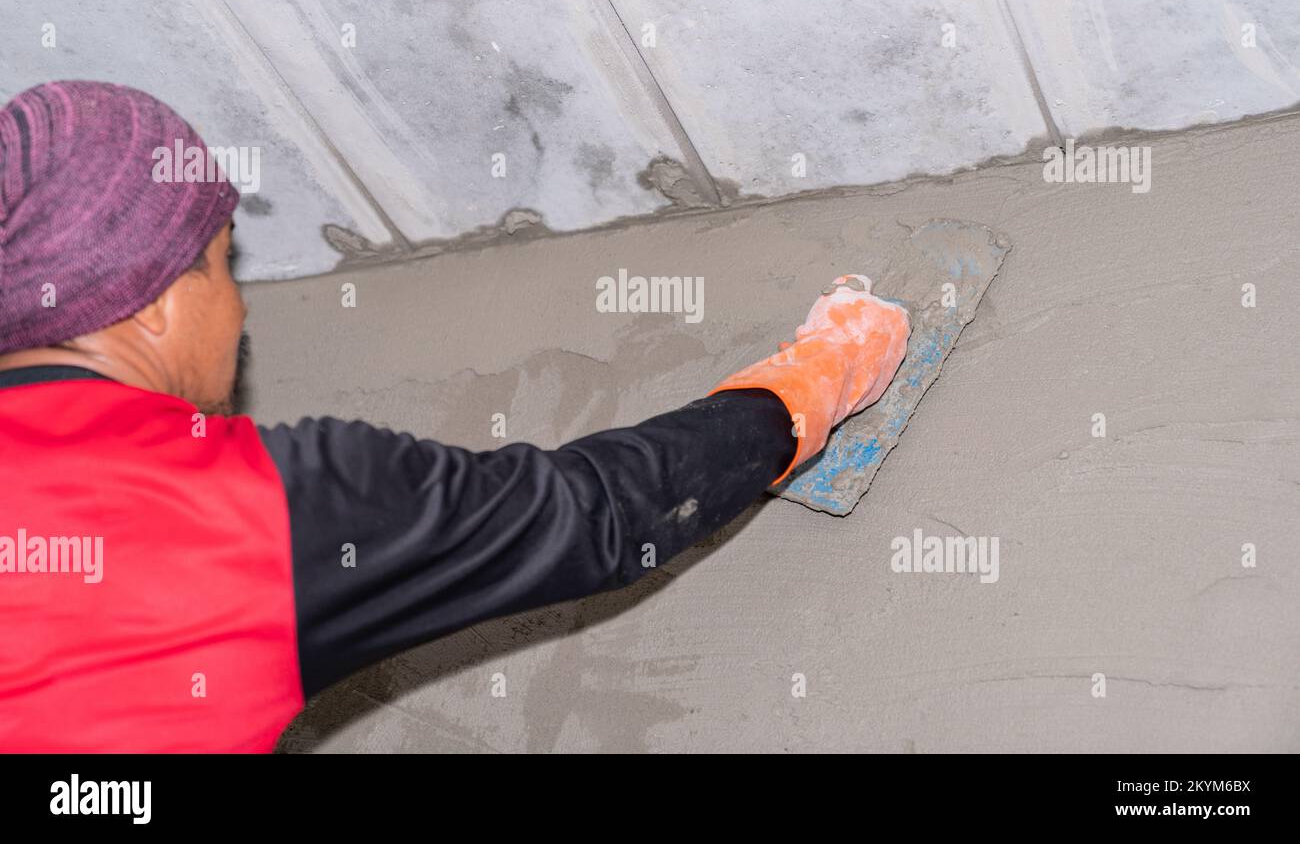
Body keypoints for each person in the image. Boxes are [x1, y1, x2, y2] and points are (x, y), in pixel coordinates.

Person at [0, 80, 909, 751]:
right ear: (155, 303)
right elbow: (597, 515)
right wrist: (817, 379)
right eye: (225, 265)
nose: (240, 315)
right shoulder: (246, 505)